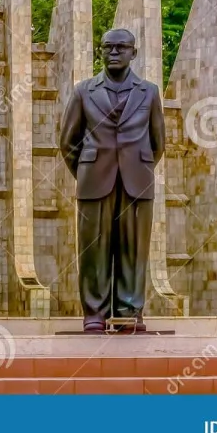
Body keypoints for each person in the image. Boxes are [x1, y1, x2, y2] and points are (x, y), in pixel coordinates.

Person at [58, 28, 165, 332]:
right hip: (94, 180)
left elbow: (158, 142)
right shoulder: (83, 91)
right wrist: (85, 171)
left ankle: (130, 312)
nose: (114, 52)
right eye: (108, 47)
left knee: (134, 249)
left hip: (137, 181)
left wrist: (137, 166)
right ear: (101, 51)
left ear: (134, 52)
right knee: (94, 248)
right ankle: (95, 313)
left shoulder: (149, 92)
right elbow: (68, 142)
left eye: (121, 47)